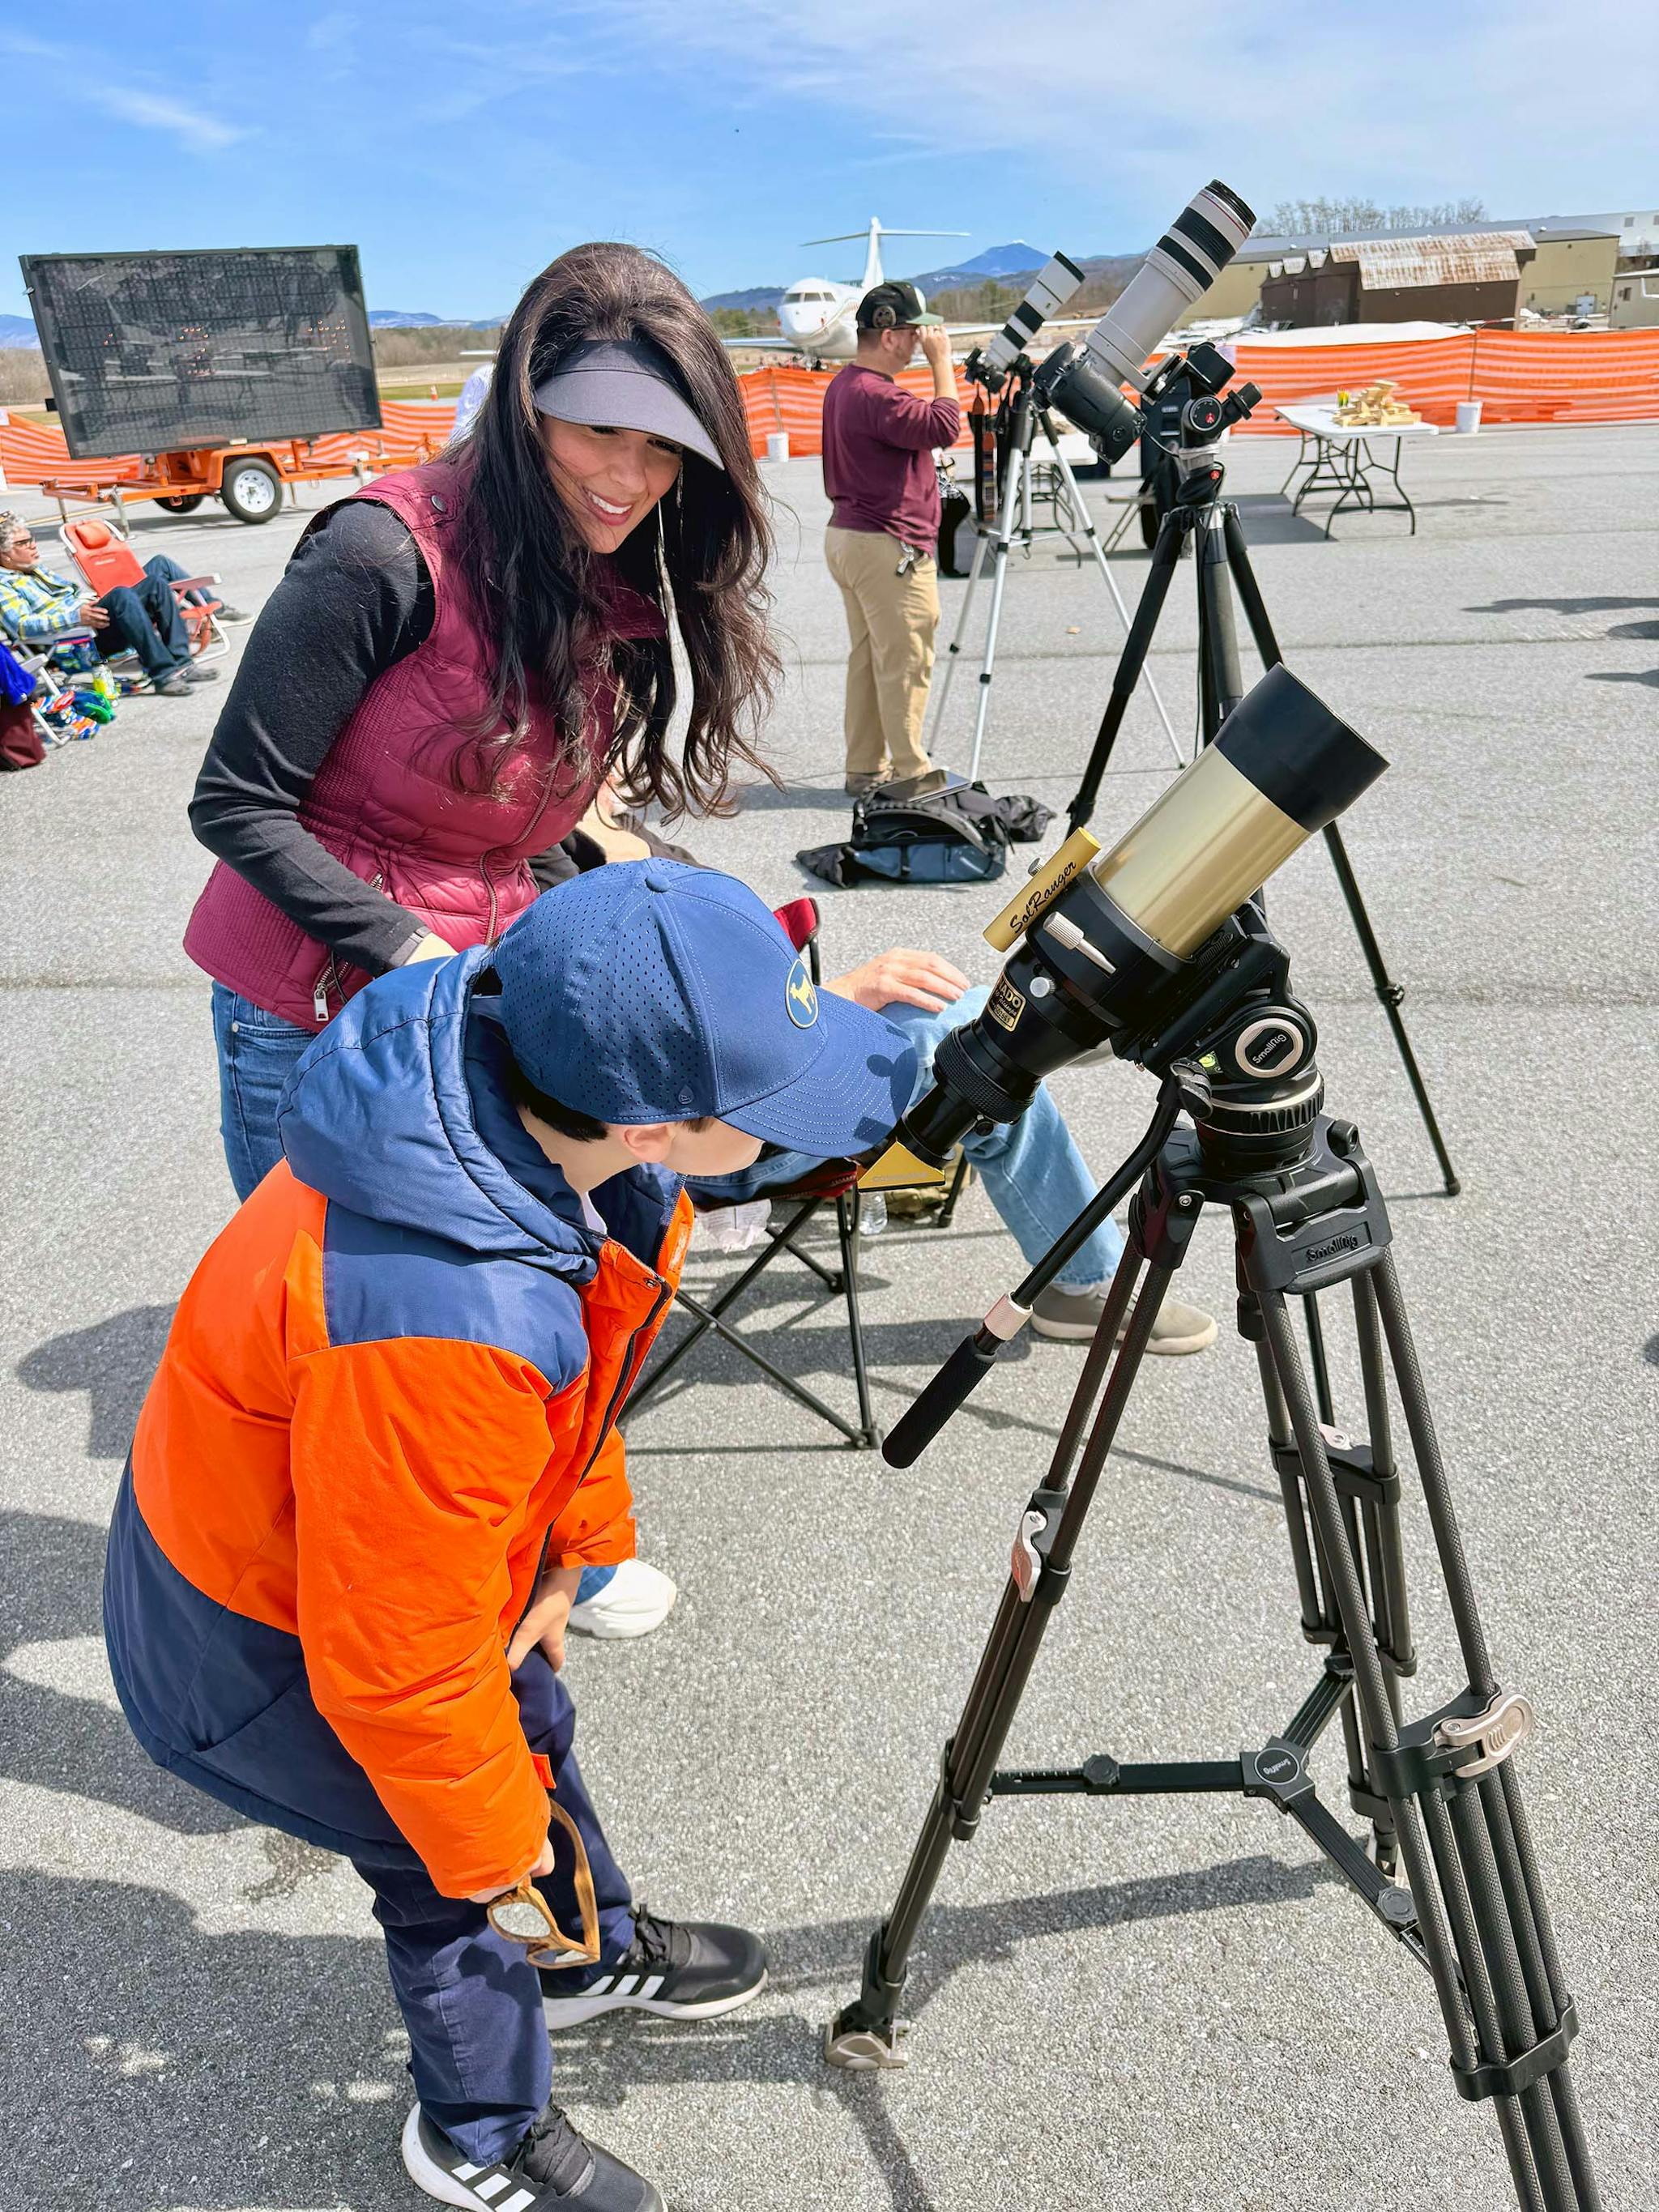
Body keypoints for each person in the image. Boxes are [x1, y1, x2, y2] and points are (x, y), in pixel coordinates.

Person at [104, 861, 917, 2212]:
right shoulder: (442, 1313)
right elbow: (399, 1668)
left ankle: (578, 1952)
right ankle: (478, 2130)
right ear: (653, 1121)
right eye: (767, 1108)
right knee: (449, 1863)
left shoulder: (531, 1105)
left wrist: (570, 1547)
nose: (787, 1141)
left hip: (378, 1553)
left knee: (529, 1722)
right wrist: (495, 1856)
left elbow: (575, 1380)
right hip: (257, 1633)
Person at [184, 242, 775, 1641]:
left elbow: (506, 819)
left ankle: (547, 1559)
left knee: (540, 1285)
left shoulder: (594, 568)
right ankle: (345, 1646)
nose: (627, 476)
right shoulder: (379, 552)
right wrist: (413, 959)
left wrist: (635, 918)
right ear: (523, 405)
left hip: (468, 989)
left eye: (662, 448)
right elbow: (236, 801)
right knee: (360, 1343)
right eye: (596, 431)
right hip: (310, 1009)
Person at [541, 808, 1218, 1353]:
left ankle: (1047, 1030)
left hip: (743, 1068)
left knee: (962, 1043)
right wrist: (832, 994)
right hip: (708, 1116)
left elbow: (719, 964)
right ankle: (1055, 1037)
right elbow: (652, 1036)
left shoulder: (604, 817)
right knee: (965, 1057)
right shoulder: (548, 850)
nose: (627, 720)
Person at [821, 280, 958, 799]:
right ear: (889, 334)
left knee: (869, 658)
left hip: (851, 536)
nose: (922, 342)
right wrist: (943, 365)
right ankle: (910, 774)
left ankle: (865, 768)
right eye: (915, 332)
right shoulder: (877, 394)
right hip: (887, 544)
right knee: (906, 659)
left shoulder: (845, 385)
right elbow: (944, 425)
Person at [0, 511, 242, 697]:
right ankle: (164, 674)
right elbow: (22, 627)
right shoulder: (4, 585)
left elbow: (70, 597)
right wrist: (76, 617)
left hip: (91, 625)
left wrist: (86, 605)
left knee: (155, 583)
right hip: (73, 643)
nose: (33, 545)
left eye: (31, 539)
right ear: (5, 554)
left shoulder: (34, 570)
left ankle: (183, 663)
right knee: (121, 596)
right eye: (24, 543)